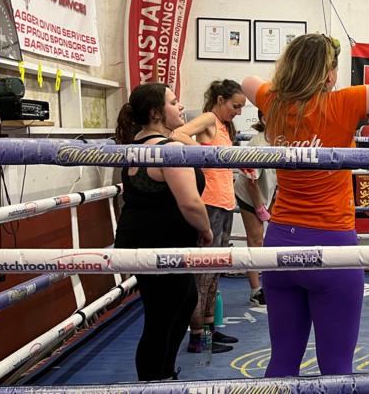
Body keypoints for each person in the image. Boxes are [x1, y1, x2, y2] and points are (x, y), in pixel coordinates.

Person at [241, 33, 369, 377]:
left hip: (279, 242)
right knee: (336, 366)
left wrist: (283, 85)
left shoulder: (273, 102)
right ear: (328, 73)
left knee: (282, 360)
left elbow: (248, 81)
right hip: (332, 245)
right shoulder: (342, 103)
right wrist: (350, 96)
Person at [113, 83, 212, 381]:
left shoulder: (134, 146)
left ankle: (164, 375)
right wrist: (206, 230)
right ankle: (154, 382)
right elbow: (190, 203)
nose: (180, 106)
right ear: (157, 112)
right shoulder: (169, 150)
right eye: (173, 101)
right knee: (162, 317)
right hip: (162, 242)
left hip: (142, 239)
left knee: (182, 304)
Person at [172, 79, 247, 354]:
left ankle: (209, 329)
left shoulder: (225, 127)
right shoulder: (208, 118)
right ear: (219, 99)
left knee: (215, 269)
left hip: (224, 203)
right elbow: (177, 134)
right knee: (203, 271)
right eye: (235, 106)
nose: (237, 112)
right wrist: (203, 153)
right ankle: (198, 337)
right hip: (210, 204)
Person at [233, 111, 275, 307]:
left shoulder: (279, 138)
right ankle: (255, 290)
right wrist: (259, 208)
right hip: (249, 194)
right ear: (265, 119)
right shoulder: (258, 143)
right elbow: (251, 183)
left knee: (273, 239)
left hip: (267, 192)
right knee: (256, 239)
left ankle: (271, 285)